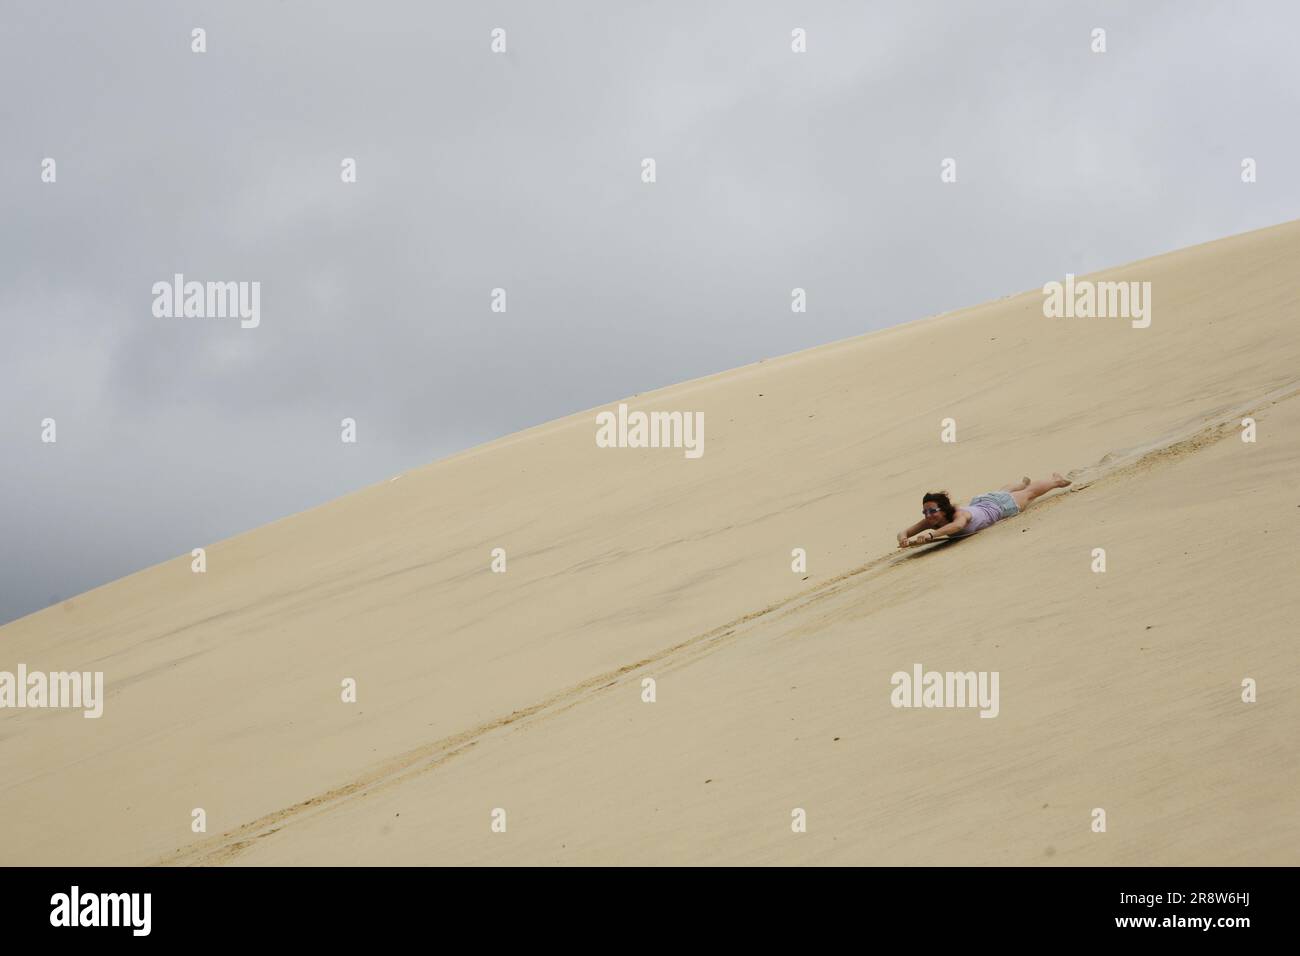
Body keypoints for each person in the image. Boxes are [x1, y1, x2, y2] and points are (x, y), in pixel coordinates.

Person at [897, 474, 1072, 548]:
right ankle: (1019, 484)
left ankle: (1055, 481)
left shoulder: (959, 515)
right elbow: (903, 531)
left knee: (1029, 493)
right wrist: (904, 539)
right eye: (925, 512)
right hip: (981, 502)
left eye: (932, 511)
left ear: (943, 510)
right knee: (1001, 491)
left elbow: (957, 527)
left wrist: (930, 536)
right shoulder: (931, 520)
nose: (928, 516)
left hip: (1001, 506)